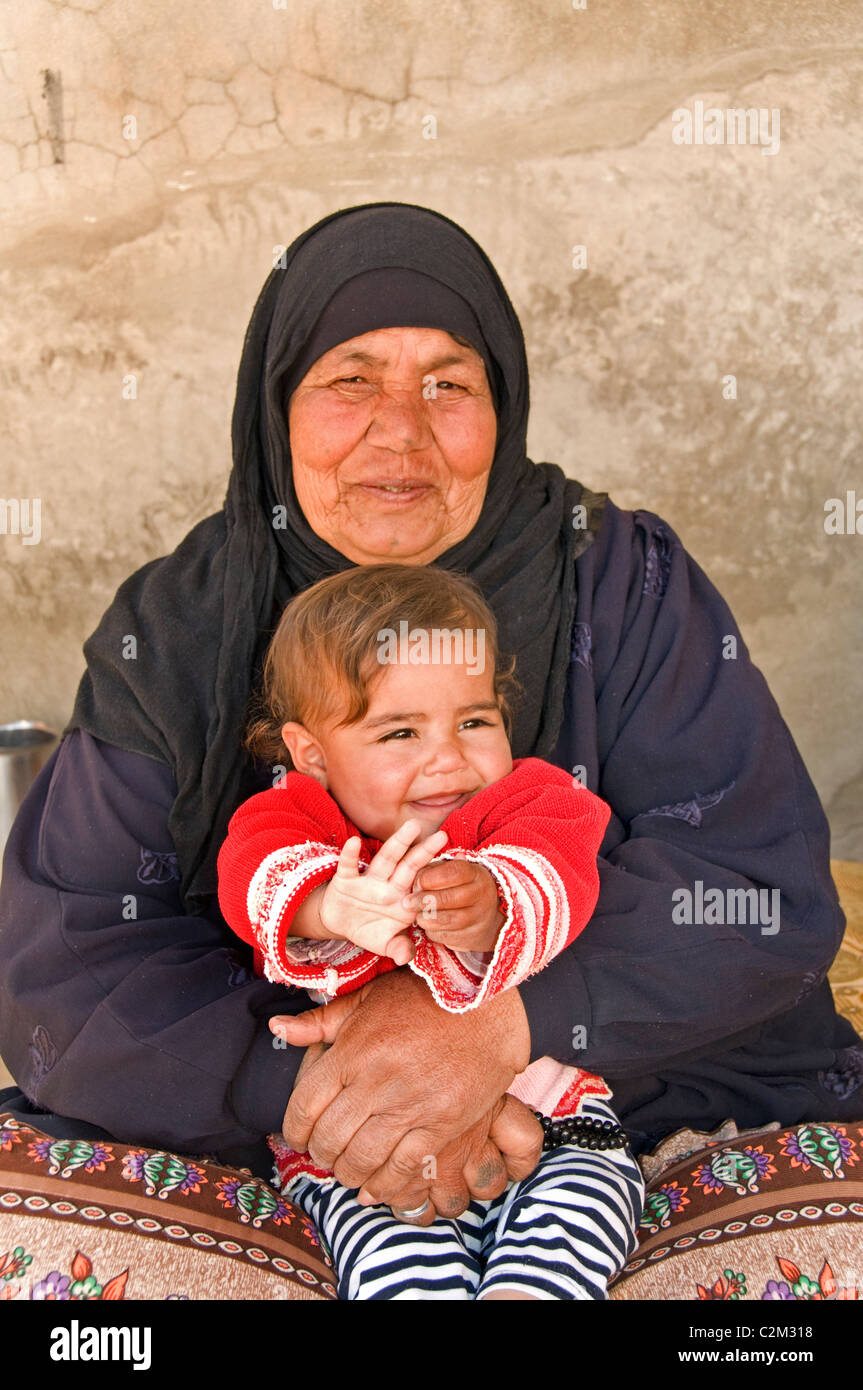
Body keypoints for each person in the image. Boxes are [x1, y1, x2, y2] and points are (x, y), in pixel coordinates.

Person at [0, 202, 860, 1236]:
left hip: (646, 1111)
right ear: (277, 411)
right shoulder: (181, 623)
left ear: (504, 405)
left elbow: (751, 887)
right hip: (275, 1133)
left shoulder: (617, 578)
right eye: (349, 379)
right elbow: (68, 955)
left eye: (448, 383)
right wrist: (335, 1089)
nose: (398, 430)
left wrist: (502, 1030)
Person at [216, 562, 645, 1299]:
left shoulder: (530, 799)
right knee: (385, 1244)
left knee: (587, 1196)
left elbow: (561, 868)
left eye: (474, 721)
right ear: (312, 752)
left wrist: (498, 902)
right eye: (400, 732)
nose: (449, 760)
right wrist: (327, 905)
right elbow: (253, 877)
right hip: (371, 1136)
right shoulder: (299, 817)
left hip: (544, 1110)